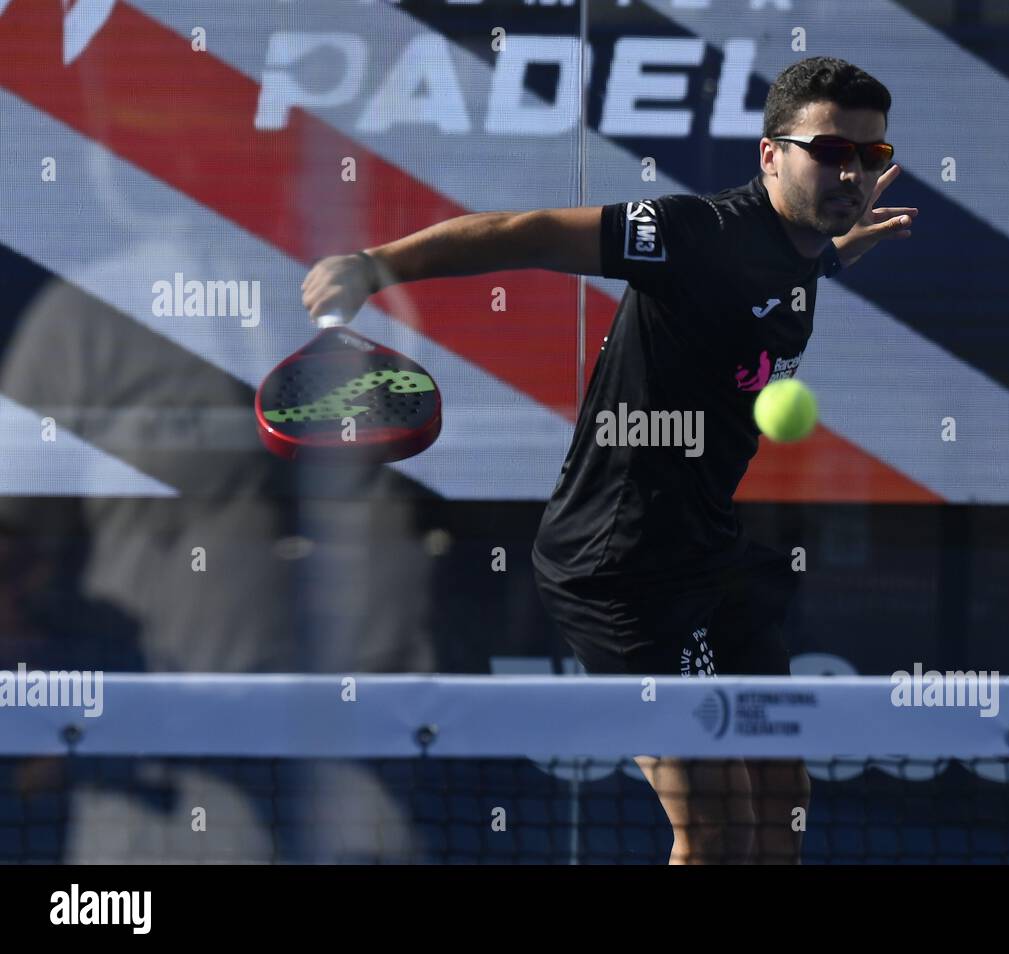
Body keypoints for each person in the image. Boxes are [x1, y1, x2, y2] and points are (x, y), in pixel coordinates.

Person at [301, 56, 917, 864]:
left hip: (709, 548)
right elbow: (527, 233)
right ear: (770, 155)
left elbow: (778, 277)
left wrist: (831, 255)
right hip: (617, 568)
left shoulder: (805, 253)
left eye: (868, 156)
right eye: (830, 150)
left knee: (780, 799)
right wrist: (376, 265)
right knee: (715, 824)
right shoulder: (697, 234)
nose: (851, 171)